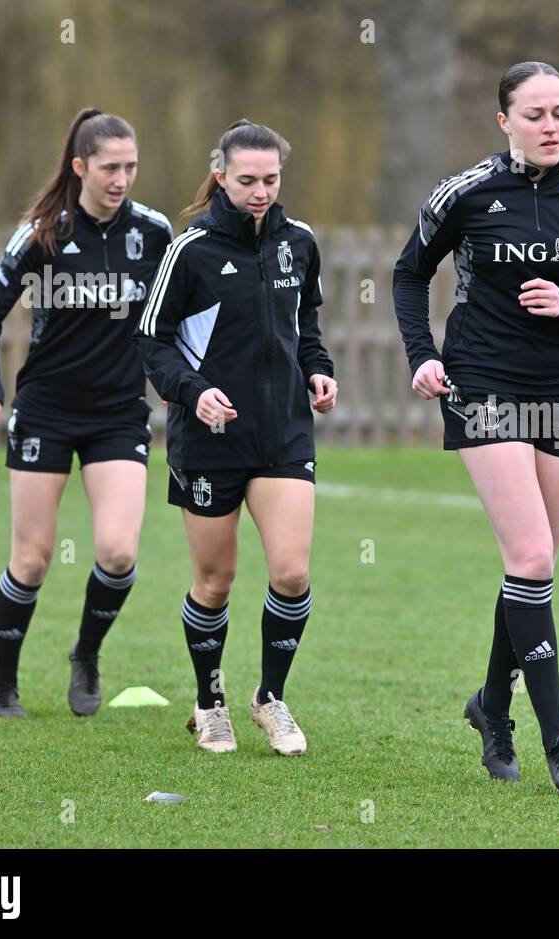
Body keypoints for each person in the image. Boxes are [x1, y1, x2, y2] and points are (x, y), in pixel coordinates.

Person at [392, 61, 559, 792]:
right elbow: (409, 273)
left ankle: (492, 705)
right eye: (534, 114)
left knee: (533, 567)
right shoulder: (466, 192)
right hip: (482, 383)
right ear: (504, 121)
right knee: (531, 555)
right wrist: (423, 355)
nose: (550, 125)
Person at [135, 119, 336, 755]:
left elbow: (306, 328)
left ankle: (269, 698)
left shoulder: (299, 242)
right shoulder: (189, 250)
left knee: (292, 573)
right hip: (210, 440)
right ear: (220, 175)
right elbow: (152, 342)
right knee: (215, 582)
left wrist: (319, 371)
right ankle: (210, 701)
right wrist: (193, 393)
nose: (261, 192)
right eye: (247, 180)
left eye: (271, 179)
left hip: (283, 435)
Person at [0, 108, 172, 718]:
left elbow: (182, 313)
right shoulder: (43, 232)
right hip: (46, 413)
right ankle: (2, 681)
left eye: (131, 166)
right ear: (80, 167)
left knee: (118, 552)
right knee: (32, 559)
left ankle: (86, 654)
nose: (121, 179)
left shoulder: (154, 232)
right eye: (110, 167)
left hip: (119, 414)